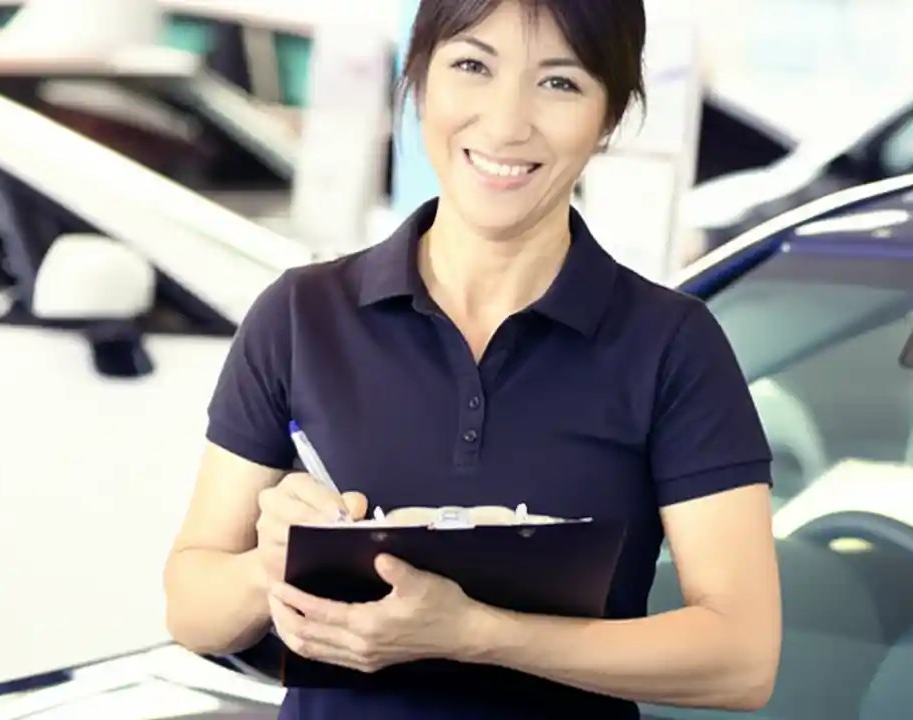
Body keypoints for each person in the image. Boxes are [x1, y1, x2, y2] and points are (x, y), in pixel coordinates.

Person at [162, 1, 783, 718]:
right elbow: (191, 608)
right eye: (471, 66)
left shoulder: (671, 344)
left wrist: (478, 634)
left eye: (559, 83)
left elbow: (740, 661)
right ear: (419, 79)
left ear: (611, 116)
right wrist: (267, 566)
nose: (506, 122)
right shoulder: (302, 316)